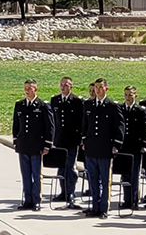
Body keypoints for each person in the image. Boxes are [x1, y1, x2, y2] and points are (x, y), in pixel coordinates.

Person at [80, 78, 124, 218]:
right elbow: (85, 125)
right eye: (96, 87)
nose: (97, 90)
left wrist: (116, 144)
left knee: (105, 180)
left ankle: (104, 208)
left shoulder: (112, 105)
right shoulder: (88, 104)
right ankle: (95, 206)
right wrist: (83, 140)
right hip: (92, 147)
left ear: (106, 88)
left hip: (105, 148)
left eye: (100, 87)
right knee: (93, 179)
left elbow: (120, 126)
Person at [13, 79, 55, 210]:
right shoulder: (19, 105)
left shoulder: (42, 105)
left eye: (29, 88)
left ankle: (36, 200)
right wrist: (16, 140)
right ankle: (27, 200)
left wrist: (47, 144)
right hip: (23, 145)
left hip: (37, 146)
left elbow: (49, 126)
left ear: (35, 89)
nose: (26, 91)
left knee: (36, 175)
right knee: (25, 174)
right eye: (25, 88)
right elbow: (16, 125)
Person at [49, 77, 84, 208]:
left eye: (66, 85)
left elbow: (81, 121)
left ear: (71, 86)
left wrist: (81, 138)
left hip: (71, 140)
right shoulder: (55, 100)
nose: (63, 87)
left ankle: (70, 192)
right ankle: (62, 192)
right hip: (59, 140)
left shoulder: (77, 101)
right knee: (60, 168)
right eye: (61, 85)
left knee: (70, 167)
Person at [119, 85, 146, 210]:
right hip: (123, 147)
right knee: (124, 175)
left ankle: (134, 200)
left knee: (134, 175)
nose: (127, 97)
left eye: (130, 95)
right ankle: (126, 199)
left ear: (135, 96)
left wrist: (145, 144)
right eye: (126, 95)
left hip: (135, 147)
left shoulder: (140, 110)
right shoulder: (120, 109)